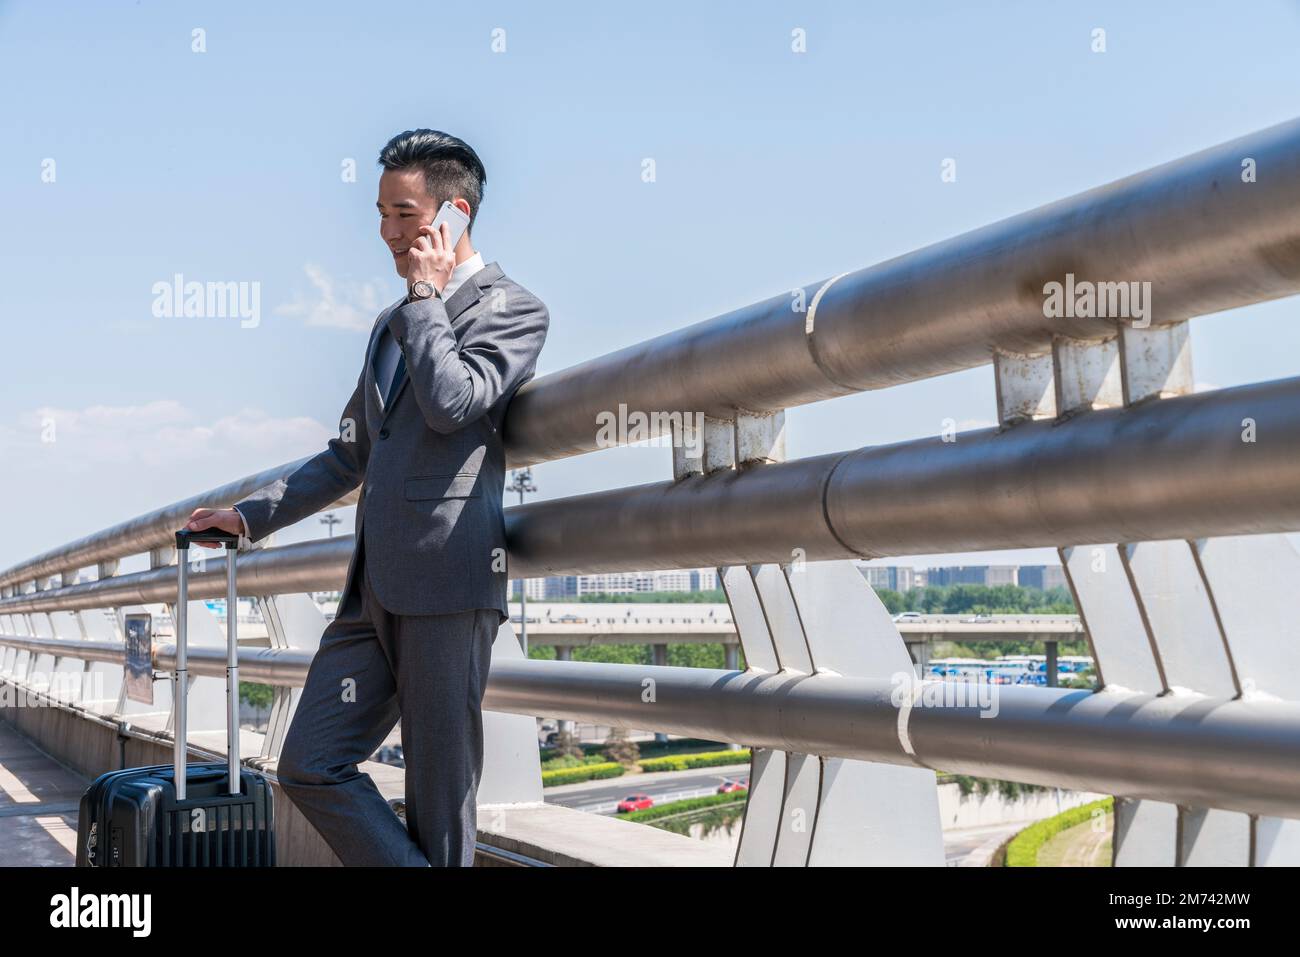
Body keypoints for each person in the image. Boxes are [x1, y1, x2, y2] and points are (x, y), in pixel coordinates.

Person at [185, 129, 549, 866]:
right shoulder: (390, 326)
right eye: (380, 213)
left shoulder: (512, 309)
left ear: (453, 217)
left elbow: (456, 402)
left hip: (448, 583)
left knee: (441, 805)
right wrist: (251, 515)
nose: (387, 233)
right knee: (308, 762)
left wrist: (424, 298)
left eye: (404, 215)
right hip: (370, 591)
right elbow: (350, 452)